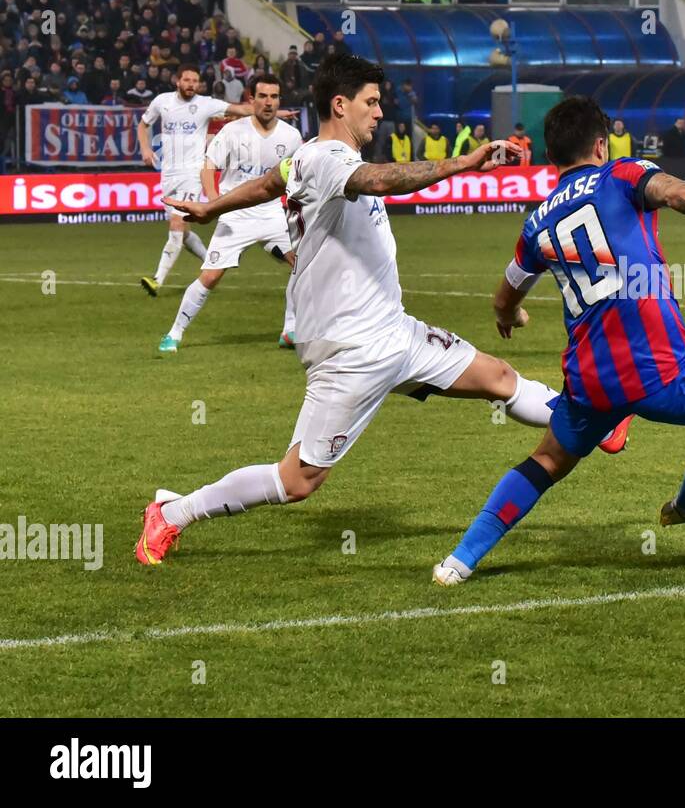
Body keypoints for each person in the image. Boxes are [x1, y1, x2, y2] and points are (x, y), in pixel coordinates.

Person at [136, 54, 628, 566]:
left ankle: (592, 419)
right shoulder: (328, 158)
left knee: (500, 378)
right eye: (371, 103)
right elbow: (381, 180)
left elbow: (268, 183)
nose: (378, 113)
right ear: (340, 104)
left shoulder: (303, 158)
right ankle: (174, 513)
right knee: (298, 479)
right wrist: (464, 163)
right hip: (349, 349)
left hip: (395, 332)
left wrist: (212, 208)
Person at [432, 97, 685, 586]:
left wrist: (510, 313)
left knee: (547, 460)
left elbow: (506, 293)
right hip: (664, 369)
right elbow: (682, 194)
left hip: (590, 380)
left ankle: (459, 561)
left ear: (553, 155)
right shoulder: (620, 176)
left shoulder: (536, 222)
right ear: (601, 144)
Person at [158, 74, 302, 354]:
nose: (268, 102)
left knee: (301, 265)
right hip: (235, 214)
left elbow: (297, 177)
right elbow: (208, 166)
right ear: (251, 99)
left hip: (272, 213)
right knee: (211, 277)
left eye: (274, 96)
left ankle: (290, 329)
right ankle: (174, 333)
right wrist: (215, 203)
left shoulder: (291, 136)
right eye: (262, 96)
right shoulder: (234, 131)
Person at [137, 64, 267, 297]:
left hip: (192, 173)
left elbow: (241, 110)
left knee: (176, 224)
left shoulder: (206, 104)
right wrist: (145, 148)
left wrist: (269, 110)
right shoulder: (162, 101)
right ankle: (214, 260)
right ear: (178, 81)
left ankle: (157, 280)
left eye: (195, 81)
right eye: (187, 80)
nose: (191, 84)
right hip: (168, 174)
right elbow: (143, 124)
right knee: (183, 233)